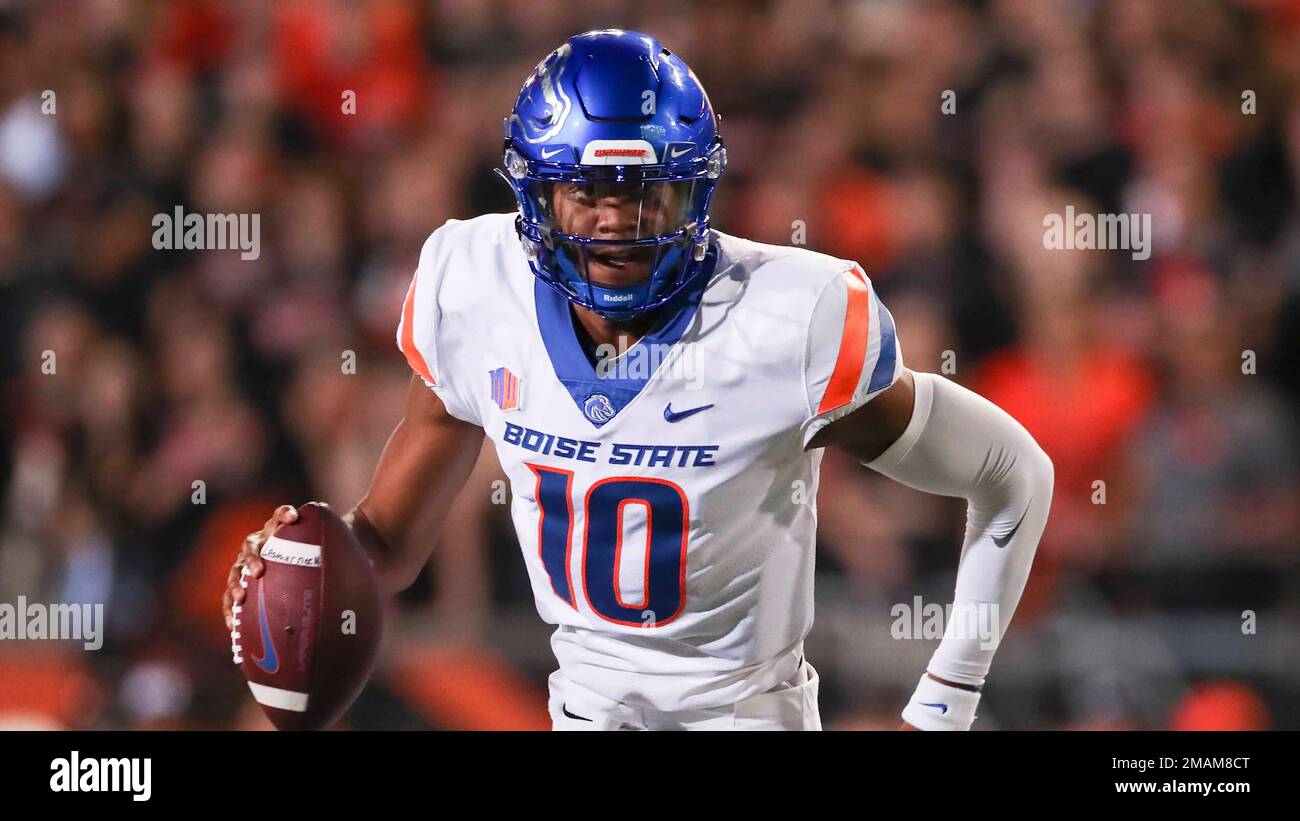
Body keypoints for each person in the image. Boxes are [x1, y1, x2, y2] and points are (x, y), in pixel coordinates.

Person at [222, 29, 1053, 731]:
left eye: (645, 188)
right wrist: (305, 566)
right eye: (587, 189)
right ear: (537, 195)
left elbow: (1014, 474)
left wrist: (945, 701)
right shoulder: (473, 290)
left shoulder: (785, 323)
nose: (617, 218)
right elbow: (390, 545)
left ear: (695, 188)